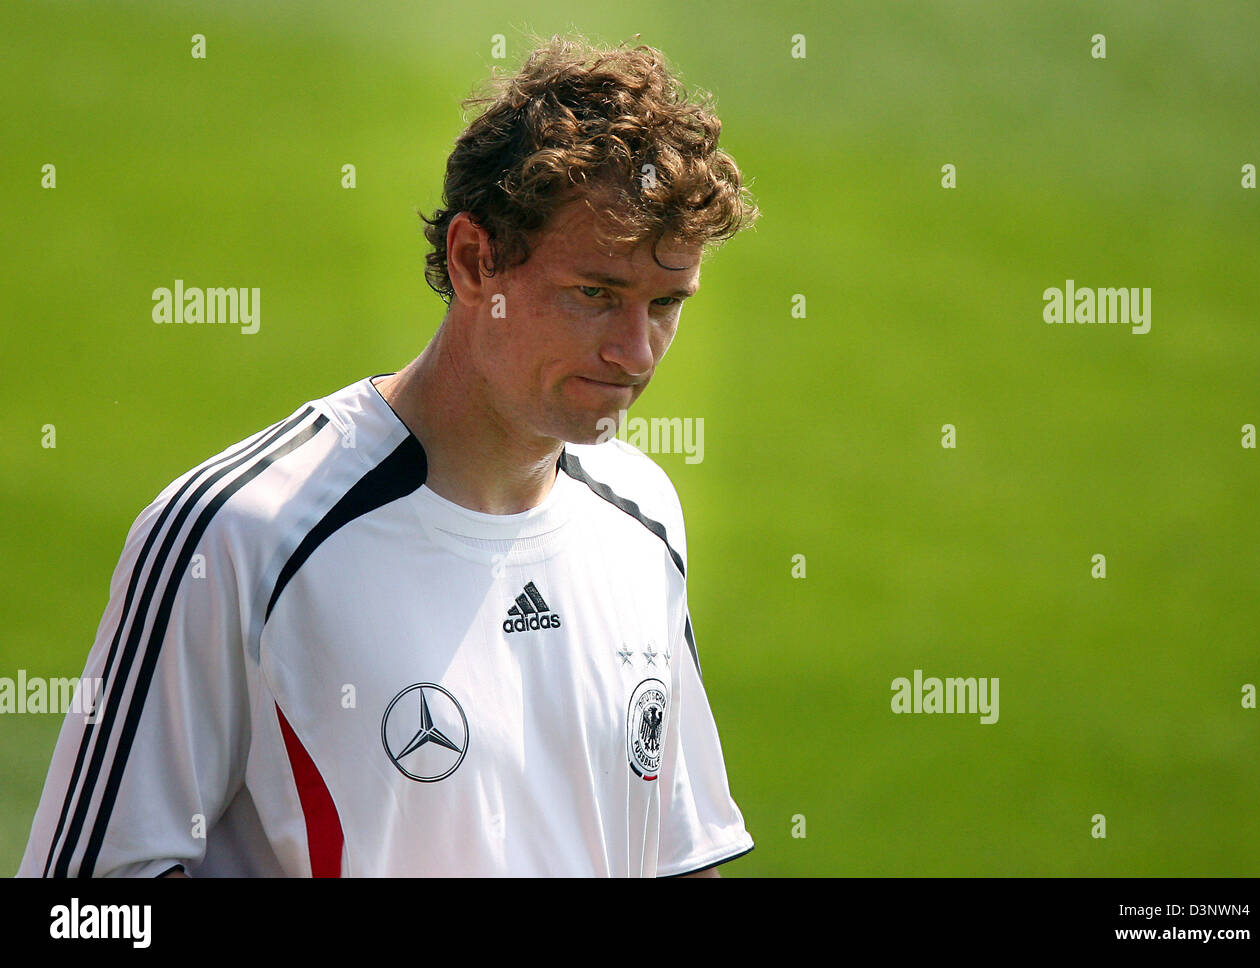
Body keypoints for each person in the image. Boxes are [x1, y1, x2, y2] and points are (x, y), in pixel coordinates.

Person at [19, 34, 758, 877]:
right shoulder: (242, 537)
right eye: (595, 294)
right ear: (476, 261)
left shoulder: (643, 515)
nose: (637, 352)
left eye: (666, 304)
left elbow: (674, 853)